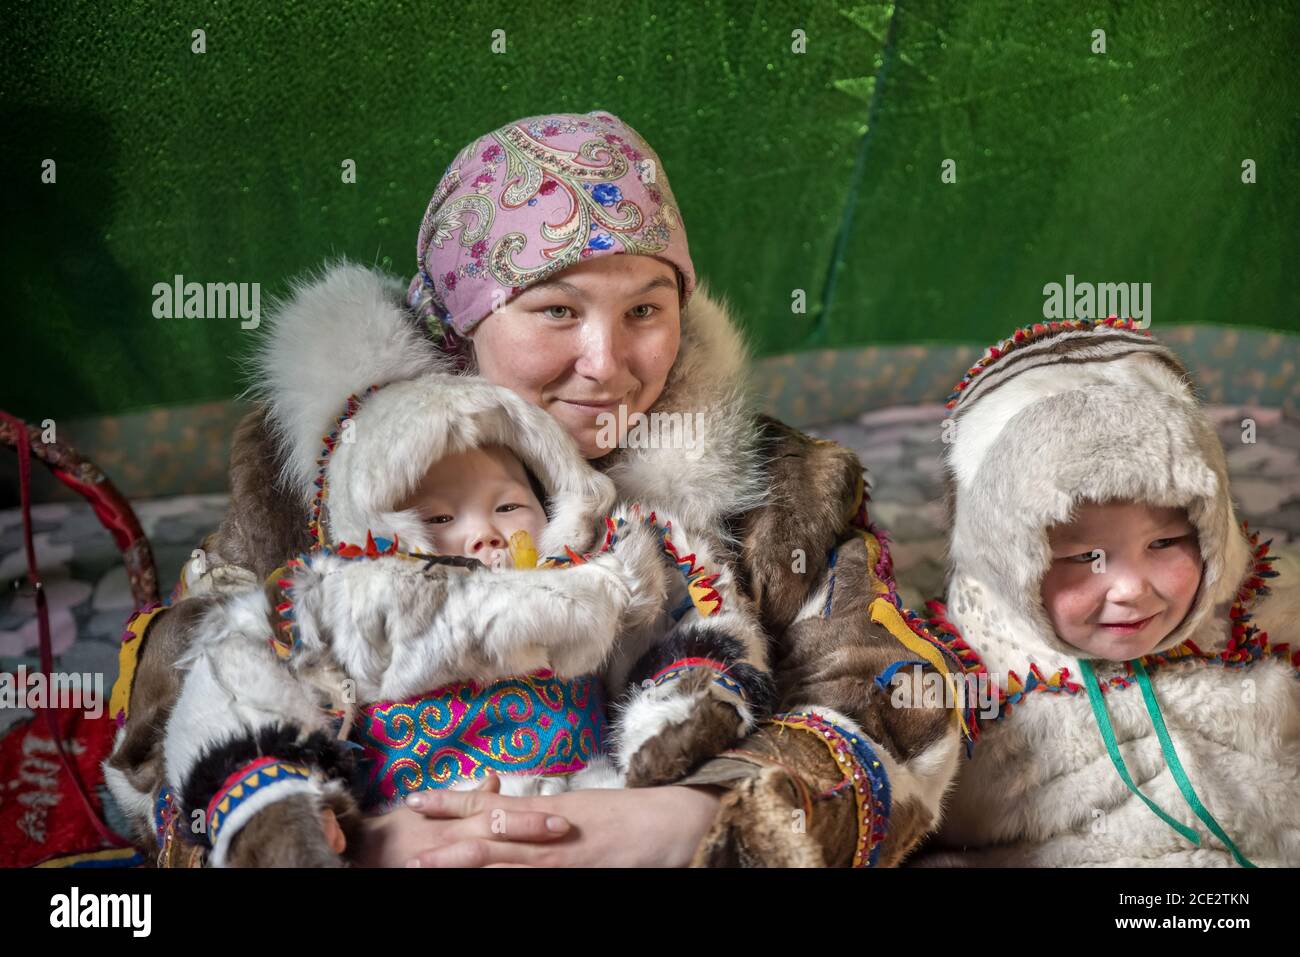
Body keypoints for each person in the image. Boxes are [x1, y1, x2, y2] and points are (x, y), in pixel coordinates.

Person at [104, 110, 960, 867]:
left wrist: (686, 819)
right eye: (557, 310)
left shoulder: (781, 484)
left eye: (645, 310)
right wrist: (345, 837)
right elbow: (159, 749)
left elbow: (896, 713)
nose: (607, 364)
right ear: (461, 318)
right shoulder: (308, 480)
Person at [915, 318, 1300, 866]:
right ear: (1006, 560)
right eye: (1082, 558)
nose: (1131, 588)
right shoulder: (951, 687)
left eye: (1165, 542)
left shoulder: (1266, 624)